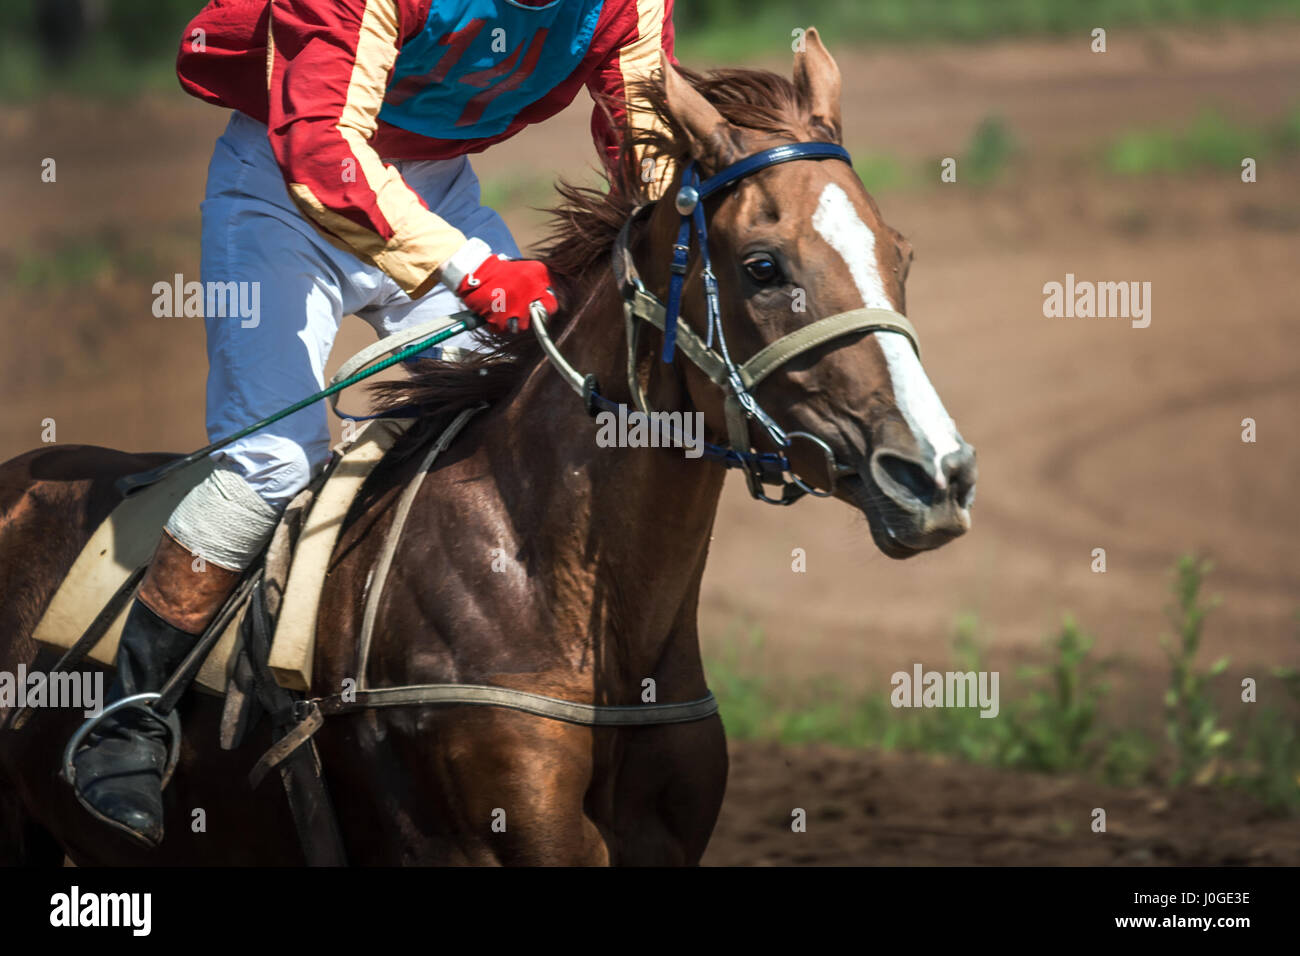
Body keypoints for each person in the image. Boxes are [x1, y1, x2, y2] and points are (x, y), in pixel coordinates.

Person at [69, 0, 675, 848]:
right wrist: (471, 270)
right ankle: (123, 718)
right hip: (283, 189)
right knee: (275, 462)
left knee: (536, 414)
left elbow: (649, 142)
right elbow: (320, 151)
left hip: (437, 191)